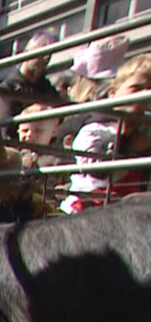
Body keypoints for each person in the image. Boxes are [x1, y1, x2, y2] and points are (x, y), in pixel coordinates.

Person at [61, 53, 151, 214]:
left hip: (125, 211)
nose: (145, 95)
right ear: (112, 92)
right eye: (136, 88)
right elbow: (96, 171)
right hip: (83, 209)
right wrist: (128, 145)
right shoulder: (94, 128)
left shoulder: (145, 132)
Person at [0, 30, 60, 140]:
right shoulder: (8, 88)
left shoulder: (47, 88)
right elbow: (5, 131)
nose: (45, 60)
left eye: (49, 55)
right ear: (26, 53)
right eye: (42, 54)